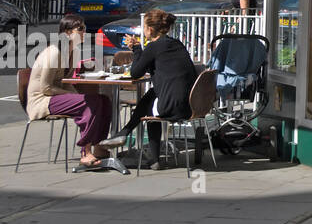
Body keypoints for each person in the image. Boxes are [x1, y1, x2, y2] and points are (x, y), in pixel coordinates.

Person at [102, 9, 199, 169]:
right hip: (192, 104)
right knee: (152, 94)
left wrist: (136, 49)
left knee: (150, 110)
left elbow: (135, 73)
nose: (143, 29)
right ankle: (125, 134)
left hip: (172, 106)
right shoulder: (176, 44)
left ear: (150, 29)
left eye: (144, 26)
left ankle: (151, 157)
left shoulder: (154, 47)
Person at [27, 15, 124, 172]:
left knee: (103, 100)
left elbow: (66, 81)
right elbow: (45, 88)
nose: (84, 32)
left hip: (55, 95)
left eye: (85, 28)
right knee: (89, 102)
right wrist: (76, 97)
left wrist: (76, 96)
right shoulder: (54, 53)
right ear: (67, 33)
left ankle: (99, 146)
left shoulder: (74, 52)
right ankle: (85, 153)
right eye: (80, 29)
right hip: (42, 100)